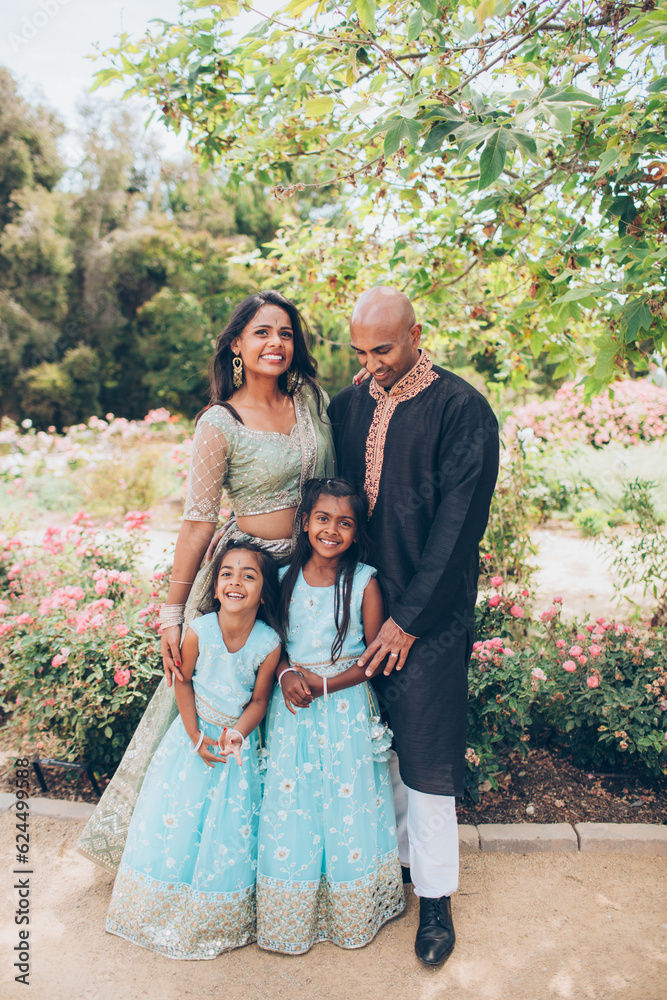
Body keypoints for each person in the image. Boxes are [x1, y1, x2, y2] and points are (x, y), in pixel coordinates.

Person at [78, 290, 335, 872]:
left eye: (286, 333)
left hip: (314, 574)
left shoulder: (313, 402)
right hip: (249, 578)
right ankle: (210, 855)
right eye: (262, 332)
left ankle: (294, 857)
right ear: (237, 345)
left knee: (301, 707)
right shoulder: (220, 422)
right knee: (234, 698)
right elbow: (197, 523)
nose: (276, 343)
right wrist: (172, 614)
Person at [327, 287, 499, 967]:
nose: (370, 364)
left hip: (429, 617)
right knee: (365, 748)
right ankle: (389, 869)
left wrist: (406, 620)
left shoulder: (462, 409)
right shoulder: (346, 406)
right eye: (359, 352)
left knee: (427, 758)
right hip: (355, 606)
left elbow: (458, 530)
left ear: (416, 334)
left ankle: (434, 899)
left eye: (383, 349)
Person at [106, 541, 283, 959]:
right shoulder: (199, 630)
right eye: (227, 573)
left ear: (265, 590)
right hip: (193, 737)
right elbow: (182, 681)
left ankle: (215, 909)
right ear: (216, 586)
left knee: (227, 825)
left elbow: (259, 701)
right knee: (179, 820)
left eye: (248, 575)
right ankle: (167, 898)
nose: (235, 581)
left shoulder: (269, 642)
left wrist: (237, 734)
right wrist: (195, 736)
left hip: (234, 746)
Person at [256, 478, 404, 954]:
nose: (332, 530)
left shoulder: (364, 581)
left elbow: (371, 660)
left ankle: (353, 908)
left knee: (346, 798)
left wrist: (323, 684)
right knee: (295, 799)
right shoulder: (282, 579)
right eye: (322, 518)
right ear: (305, 522)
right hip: (292, 706)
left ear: (357, 532)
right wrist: (283, 676)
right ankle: (296, 906)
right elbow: (270, 644)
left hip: (344, 709)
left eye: (345, 522)